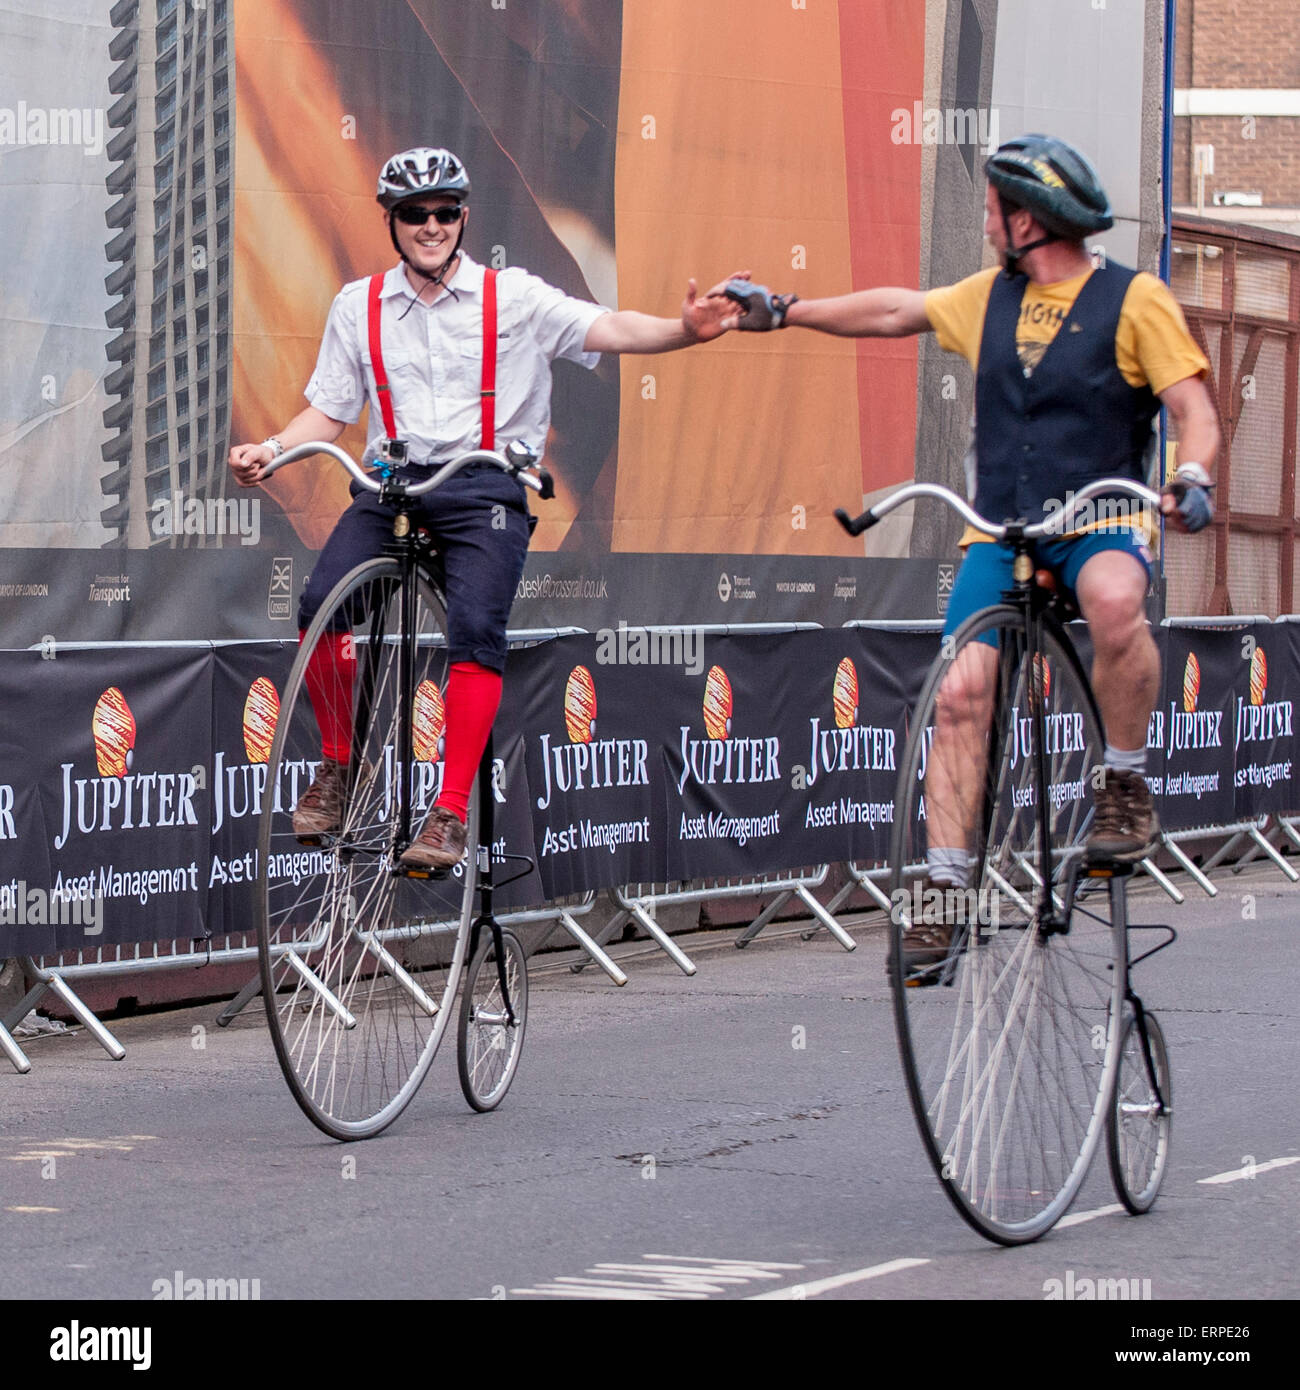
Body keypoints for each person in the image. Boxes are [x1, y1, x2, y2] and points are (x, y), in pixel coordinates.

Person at [718, 134, 1220, 970]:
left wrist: (1194, 472)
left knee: (1116, 602)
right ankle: (943, 892)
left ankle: (1124, 785)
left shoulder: (1136, 302)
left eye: (992, 209)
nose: (985, 222)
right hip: (999, 526)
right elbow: (891, 311)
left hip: (1095, 519)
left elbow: (1192, 406)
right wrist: (786, 308)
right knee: (959, 692)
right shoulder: (987, 299)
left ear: (1027, 221)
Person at [231, 146, 732, 870]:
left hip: (483, 486)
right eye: (413, 214)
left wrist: (687, 329)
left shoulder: (516, 298)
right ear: (392, 222)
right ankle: (341, 769)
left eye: (442, 212)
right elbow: (327, 413)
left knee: (473, 629)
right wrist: (273, 449)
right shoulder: (358, 306)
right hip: (393, 486)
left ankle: (448, 814)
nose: (429, 225)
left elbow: (613, 331)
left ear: (462, 218)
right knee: (319, 604)